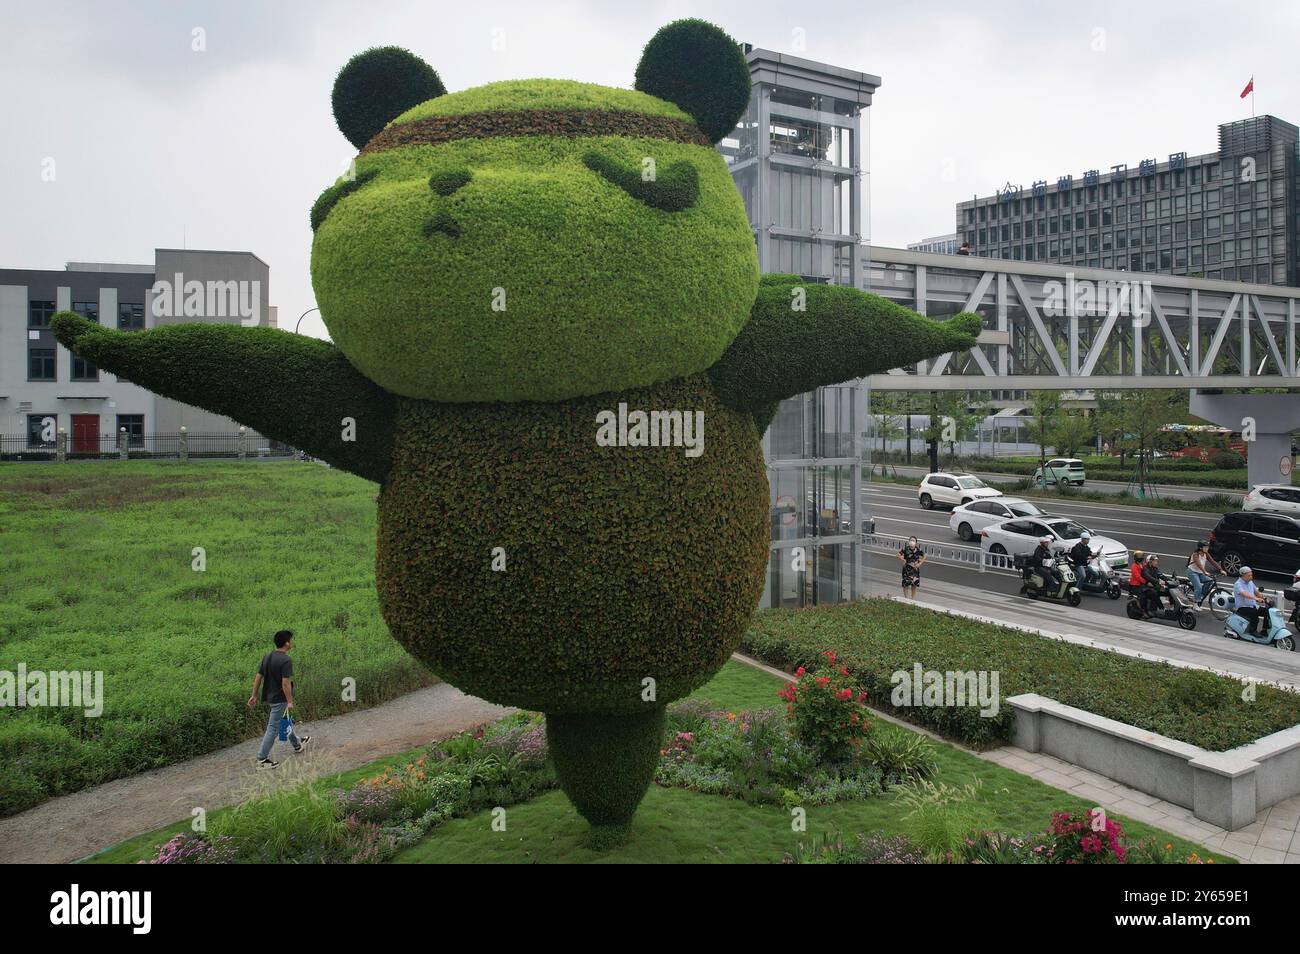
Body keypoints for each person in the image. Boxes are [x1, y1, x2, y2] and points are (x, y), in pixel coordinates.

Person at [248, 629, 310, 768]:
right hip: (279, 699)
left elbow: (259, 676)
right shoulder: (286, 660)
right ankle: (261, 759)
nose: (292, 642)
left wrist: (254, 695)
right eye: (291, 640)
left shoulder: (268, 656)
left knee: (285, 720)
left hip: (270, 697)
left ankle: (297, 744)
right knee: (273, 728)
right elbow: (285, 683)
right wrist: (289, 701)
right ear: (287, 643)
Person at [1185, 541, 1223, 609]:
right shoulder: (1195, 554)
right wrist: (1204, 571)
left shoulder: (1206, 554)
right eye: (1205, 547)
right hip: (1192, 572)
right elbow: (1198, 564)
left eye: (1207, 547)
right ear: (1200, 548)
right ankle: (1196, 604)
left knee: (1210, 581)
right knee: (1198, 586)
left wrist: (1220, 569)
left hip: (1200, 573)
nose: (1207, 548)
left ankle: (1201, 595)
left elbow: (1212, 561)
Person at [1232, 567, 1265, 636]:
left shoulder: (1250, 582)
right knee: (1254, 613)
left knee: (1267, 611)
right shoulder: (1238, 584)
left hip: (1252, 605)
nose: (1251, 577)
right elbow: (1244, 594)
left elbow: (1256, 592)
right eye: (1249, 576)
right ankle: (1253, 631)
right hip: (1242, 607)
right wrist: (1255, 599)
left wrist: (1263, 597)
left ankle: (1265, 630)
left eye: (1251, 575)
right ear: (1243, 575)